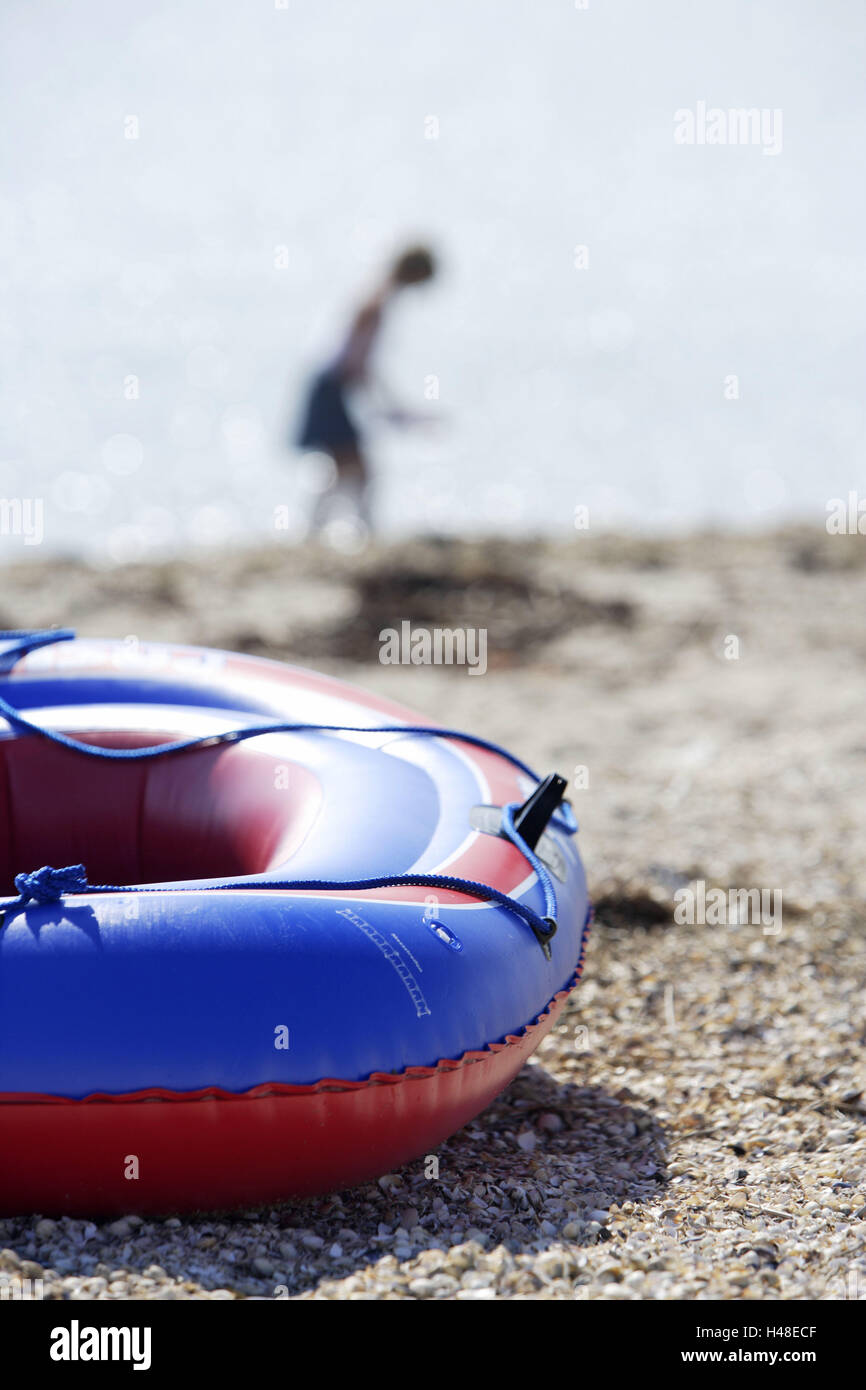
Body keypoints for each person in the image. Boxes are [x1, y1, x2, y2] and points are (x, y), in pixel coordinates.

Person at [294, 245, 437, 537]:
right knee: (356, 467)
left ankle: (322, 531)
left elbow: (357, 363)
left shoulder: (376, 298)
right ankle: (351, 532)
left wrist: (386, 405)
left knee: (349, 467)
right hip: (332, 386)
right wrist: (389, 407)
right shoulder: (376, 305)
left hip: (332, 384)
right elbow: (356, 363)